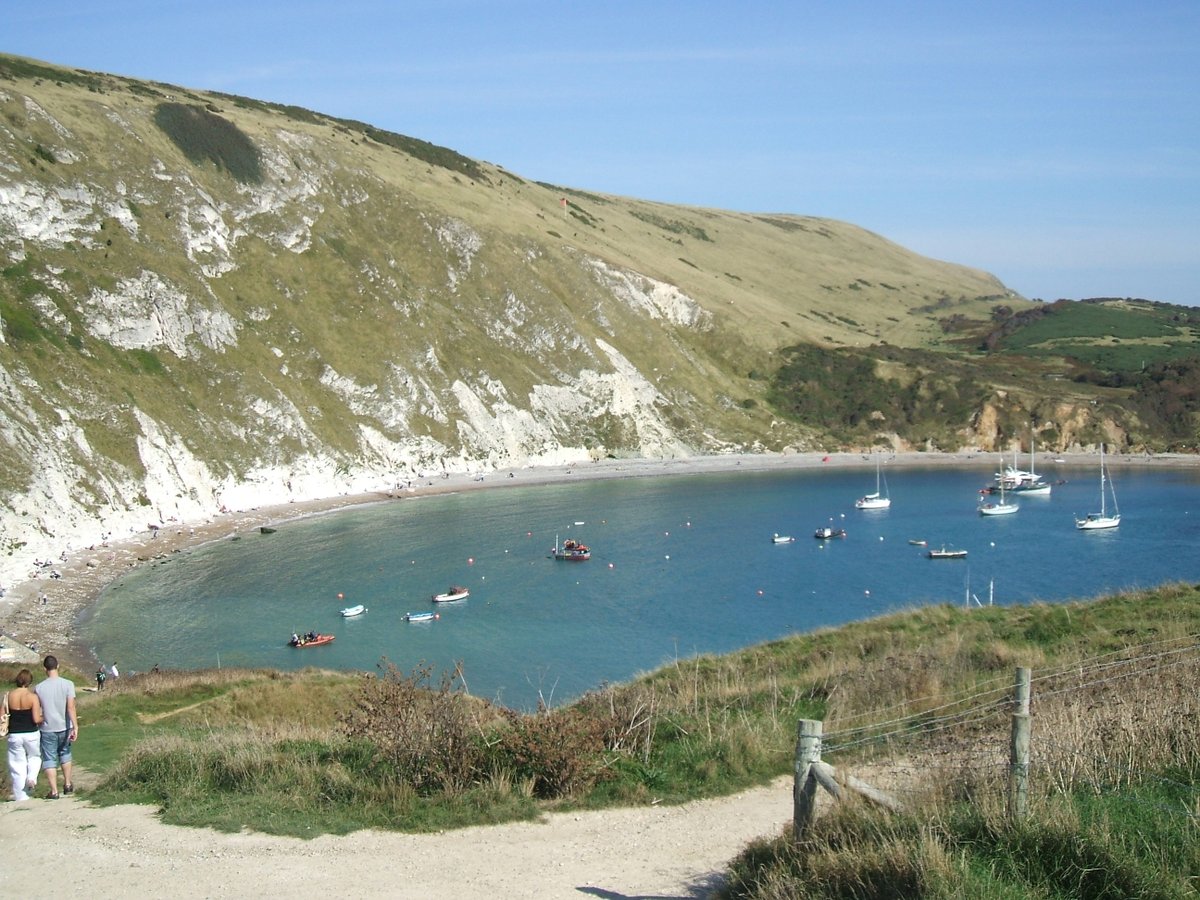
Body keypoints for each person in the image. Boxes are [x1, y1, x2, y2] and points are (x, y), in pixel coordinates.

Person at [34, 655, 77, 799]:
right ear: (58, 666)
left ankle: (54, 791)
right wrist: (75, 726)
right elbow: (70, 707)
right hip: (64, 726)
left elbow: (38, 710)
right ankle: (68, 784)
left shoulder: (39, 688)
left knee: (49, 759)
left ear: (44, 669)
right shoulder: (68, 684)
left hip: (47, 727)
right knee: (65, 754)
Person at [6, 669, 43, 802]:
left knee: (17, 764)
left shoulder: (9, 696)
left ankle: (20, 796)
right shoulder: (32, 697)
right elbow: (36, 719)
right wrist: (44, 718)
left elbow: (2, 716)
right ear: (29, 681)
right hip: (31, 733)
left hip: (14, 733)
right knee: (34, 757)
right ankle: (31, 777)